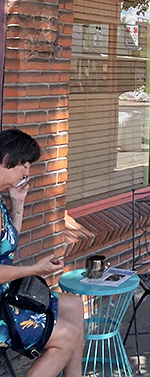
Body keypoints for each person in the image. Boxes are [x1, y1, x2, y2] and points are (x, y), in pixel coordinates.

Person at [0, 129, 84, 377]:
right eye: (24, 165)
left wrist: (18, 204)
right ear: (6, 160)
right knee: (67, 335)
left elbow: (7, 242)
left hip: (6, 295)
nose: (27, 172)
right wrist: (36, 269)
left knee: (74, 305)